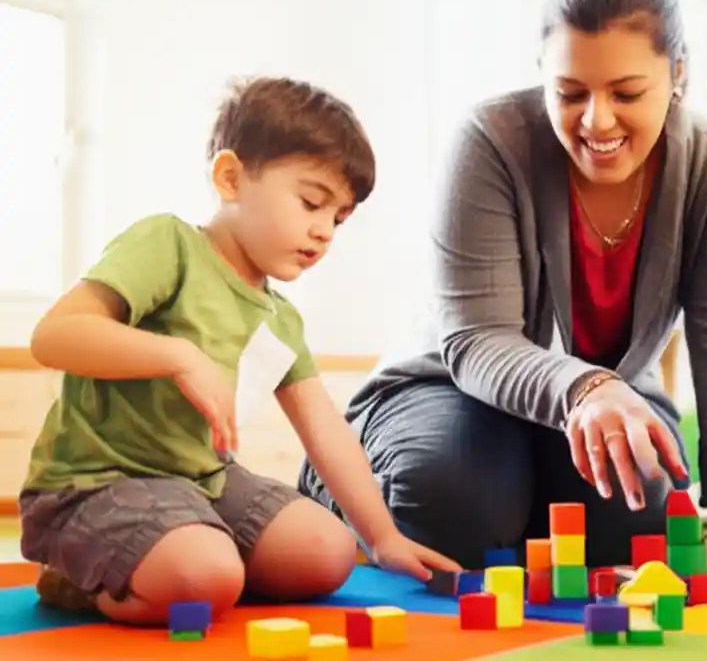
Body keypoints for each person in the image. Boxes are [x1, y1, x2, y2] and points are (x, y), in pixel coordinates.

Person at [299, 0, 707, 572]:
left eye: (626, 92)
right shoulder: (489, 142)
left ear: (679, 73)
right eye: (570, 93)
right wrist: (588, 385)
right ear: (541, 73)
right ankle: (342, 483)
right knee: (456, 503)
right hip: (449, 386)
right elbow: (476, 340)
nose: (597, 120)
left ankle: (521, 513)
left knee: (635, 517)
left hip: (607, 404)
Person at [19, 77, 460, 625]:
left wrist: (384, 537)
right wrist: (179, 356)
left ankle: (189, 556)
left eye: (338, 219)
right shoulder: (169, 245)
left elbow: (325, 430)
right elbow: (54, 336)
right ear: (231, 178)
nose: (323, 231)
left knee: (329, 552)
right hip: (95, 483)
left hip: (202, 484)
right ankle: (85, 570)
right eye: (311, 202)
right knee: (206, 577)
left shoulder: (279, 317)